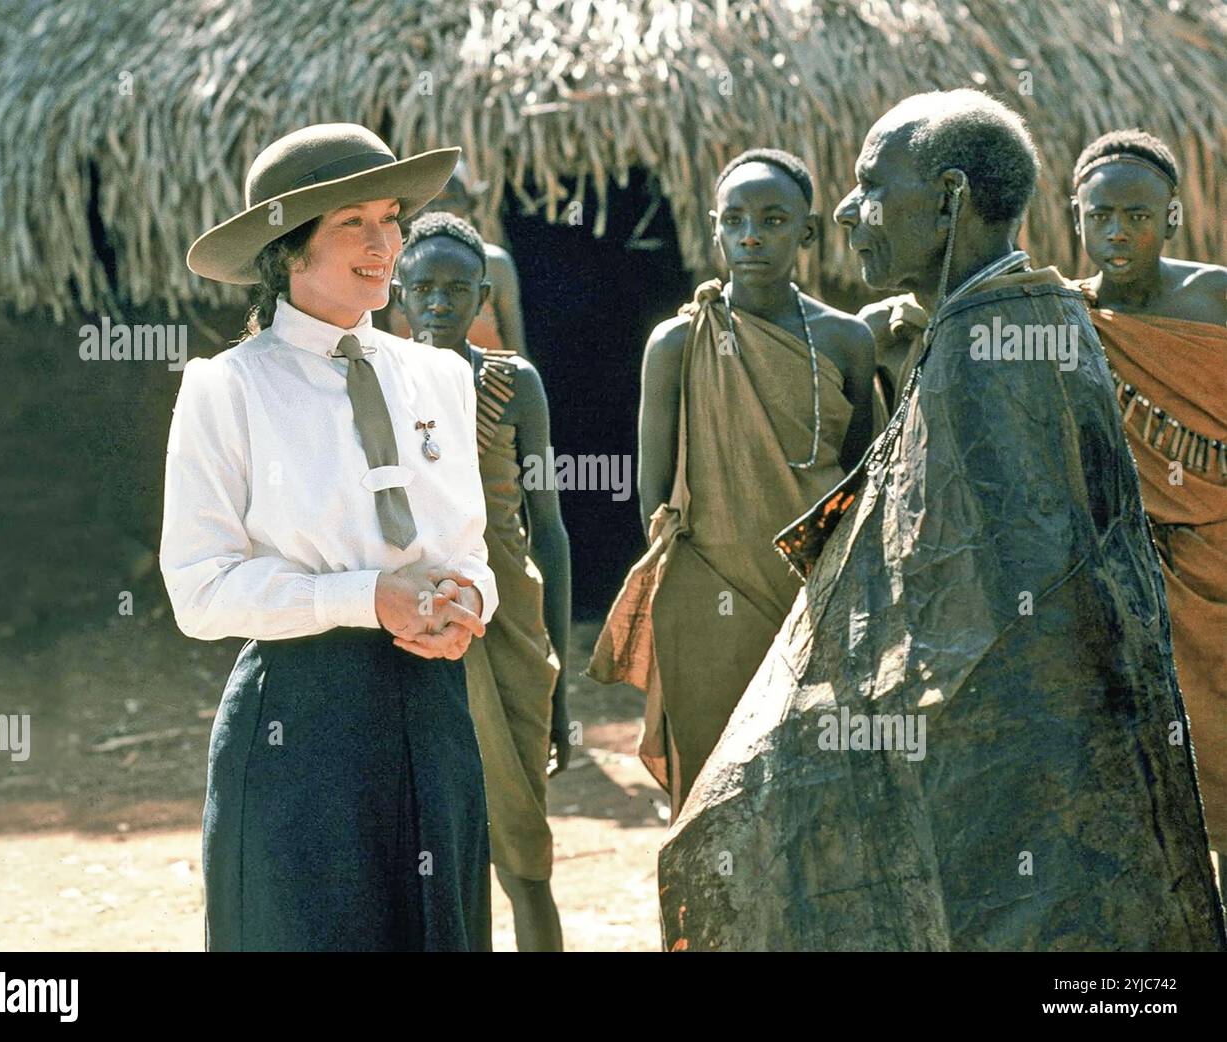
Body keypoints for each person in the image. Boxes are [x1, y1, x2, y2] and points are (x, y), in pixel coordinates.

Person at [657, 91, 1226, 951]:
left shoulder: (994, 347)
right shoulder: (1002, 321)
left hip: (1006, 780)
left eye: (872, 185)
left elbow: (1000, 611)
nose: (850, 211)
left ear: (953, 196)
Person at [161, 123, 498, 951]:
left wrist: (468, 597)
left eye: (392, 218)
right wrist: (362, 598)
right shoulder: (228, 389)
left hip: (434, 708)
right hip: (302, 724)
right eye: (355, 222)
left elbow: (469, 548)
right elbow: (199, 590)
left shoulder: (440, 376)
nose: (386, 243)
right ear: (288, 249)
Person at [587, 148, 876, 820]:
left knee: (814, 800)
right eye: (737, 220)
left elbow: (864, 484)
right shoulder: (677, 343)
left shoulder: (846, 342)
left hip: (815, 599)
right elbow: (651, 499)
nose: (752, 236)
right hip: (705, 598)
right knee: (716, 802)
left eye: (774, 220)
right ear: (714, 229)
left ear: (807, 234)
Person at [392, 211, 571, 951]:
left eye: (457, 290)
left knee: (525, 861)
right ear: (398, 292)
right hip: (418, 636)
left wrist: (559, 682)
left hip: (514, 637)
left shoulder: (514, 385)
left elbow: (549, 531)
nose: (439, 303)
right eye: (424, 288)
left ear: (485, 293)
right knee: (440, 857)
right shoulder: (373, 383)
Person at [1070, 129, 1227, 888]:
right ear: (1077, 218)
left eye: (1136, 214)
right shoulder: (1062, 317)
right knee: (1151, 773)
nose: (1116, 232)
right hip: (1132, 571)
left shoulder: (1216, 296)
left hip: (1223, 561)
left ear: (1170, 218)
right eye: (1100, 215)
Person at [378, 161, 531, 360]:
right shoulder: (390, 264)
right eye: (429, 199)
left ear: (470, 203)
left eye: (450, 198)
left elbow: (516, 350)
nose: (437, 208)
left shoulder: (495, 264)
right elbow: (376, 347)